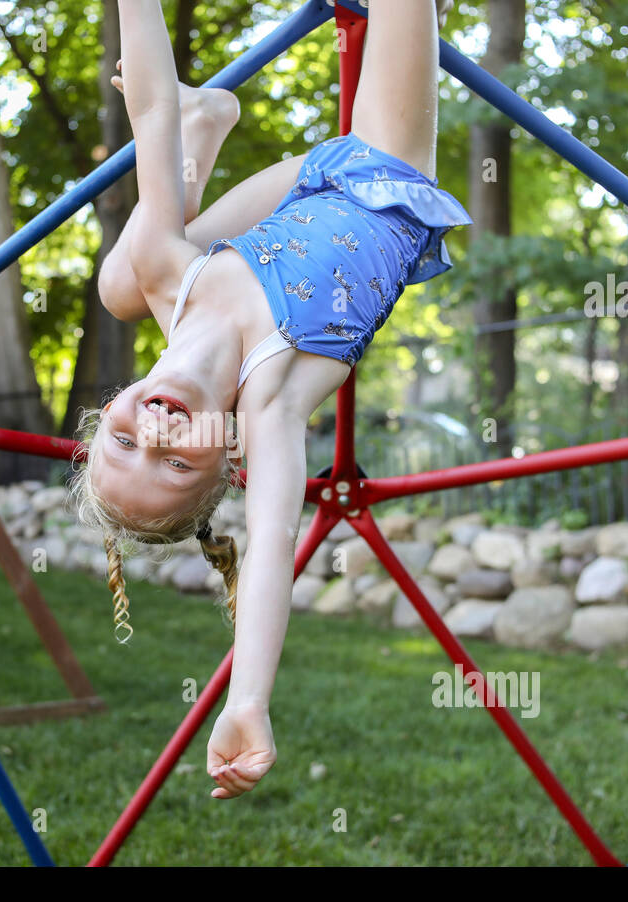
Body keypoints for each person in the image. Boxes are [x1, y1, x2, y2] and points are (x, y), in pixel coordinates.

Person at [68, 0, 468, 800]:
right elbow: (270, 548)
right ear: (228, 455)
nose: (153, 432)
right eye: (174, 460)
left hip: (299, 189)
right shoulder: (270, 402)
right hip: (382, 174)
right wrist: (247, 700)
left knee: (123, 277)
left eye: (123, 441)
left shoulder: (166, 274)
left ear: (106, 411)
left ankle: (208, 116)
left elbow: (146, 108)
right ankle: (211, 116)